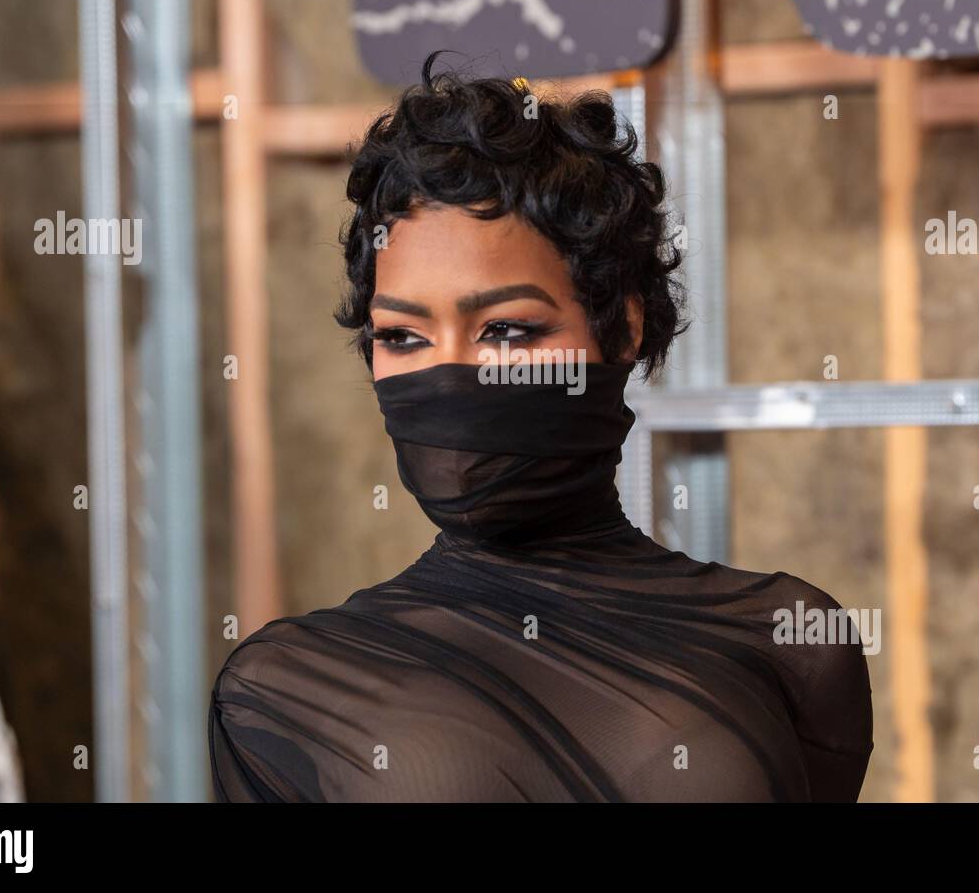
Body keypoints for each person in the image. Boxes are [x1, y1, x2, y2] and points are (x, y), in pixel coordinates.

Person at [208, 51, 873, 802]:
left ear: (620, 331)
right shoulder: (281, 691)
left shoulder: (793, 640)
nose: (452, 373)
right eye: (402, 336)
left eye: (508, 331)